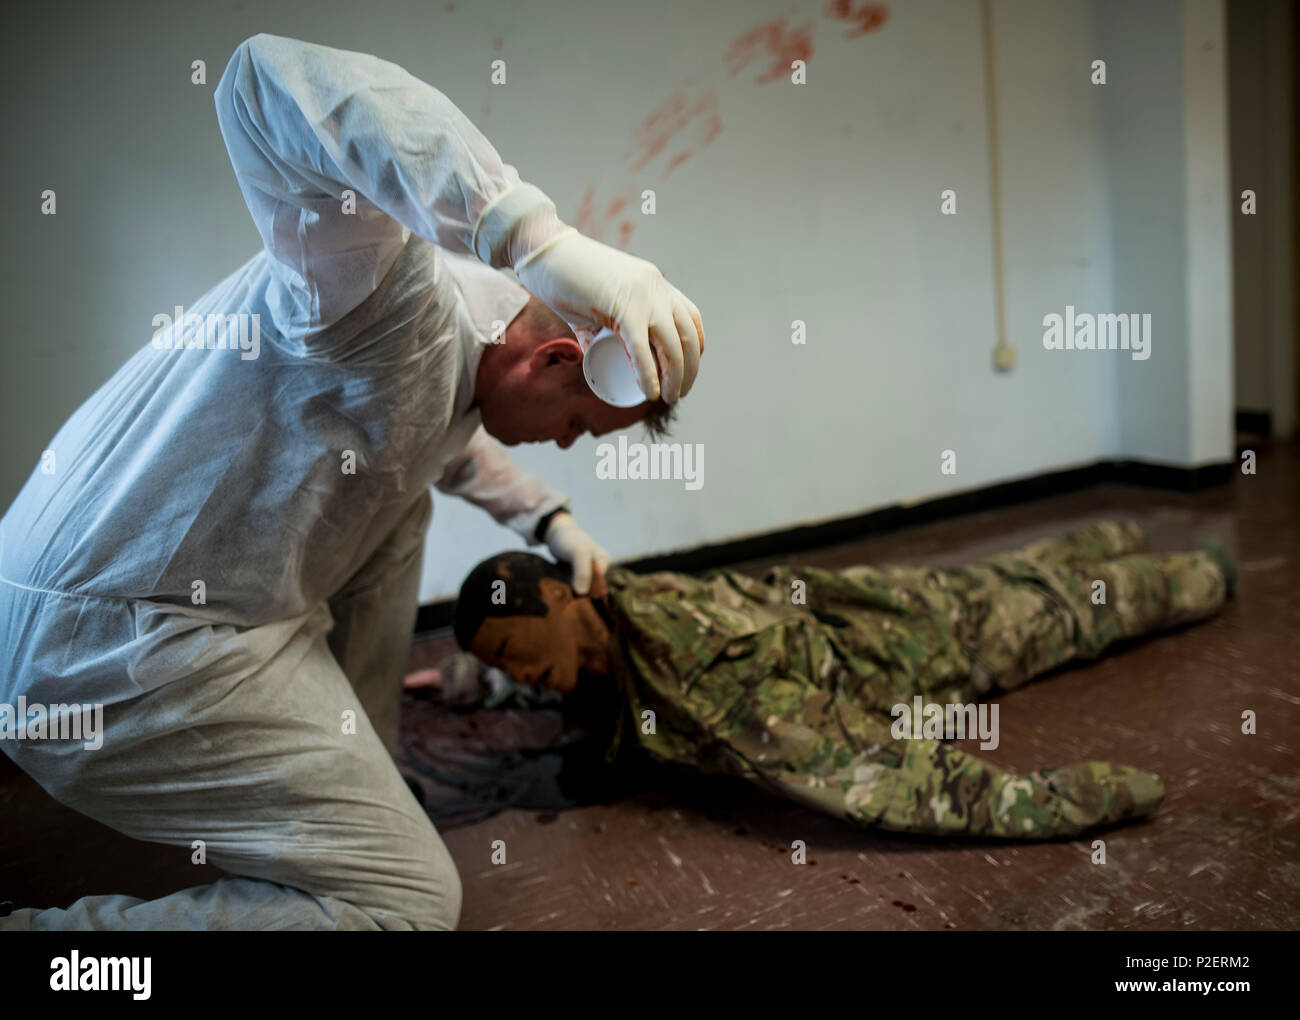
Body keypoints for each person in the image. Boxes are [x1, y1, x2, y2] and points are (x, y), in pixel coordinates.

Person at [0, 34, 703, 930]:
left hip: (91, 605)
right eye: (575, 426)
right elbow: (262, 80)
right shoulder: (384, 302)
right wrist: (537, 236)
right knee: (404, 907)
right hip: (105, 649)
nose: (563, 445)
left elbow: (436, 446)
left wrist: (551, 521)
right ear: (560, 358)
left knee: (402, 502)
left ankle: (357, 765)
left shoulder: (448, 360)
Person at [454, 521, 1235, 839]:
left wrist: (1074, 800)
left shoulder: (694, 671)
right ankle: (1113, 531)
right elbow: (539, 667)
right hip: (869, 601)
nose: (519, 675)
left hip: (922, 652)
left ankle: (1207, 569)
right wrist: (468, 680)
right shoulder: (605, 601)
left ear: (558, 596)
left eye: (514, 650)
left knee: (1068, 612)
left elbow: (875, 773)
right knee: (999, 578)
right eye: (501, 666)